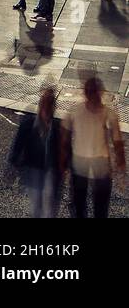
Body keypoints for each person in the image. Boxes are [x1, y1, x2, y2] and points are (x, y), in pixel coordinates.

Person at [62, 74, 125, 218]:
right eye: (90, 92)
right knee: (81, 204)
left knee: (97, 206)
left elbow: (117, 142)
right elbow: (63, 137)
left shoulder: (108, 114)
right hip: (84, 162)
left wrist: (121, 165)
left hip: (95, 162)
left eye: (94, 92)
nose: (92, 96)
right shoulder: (76, 111)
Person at [10, 86, 62, 218]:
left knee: (50, 208)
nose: (46, 109)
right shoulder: (28, 123)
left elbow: (65, 151)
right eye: (44, 104)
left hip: (50, 172)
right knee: (37, 206)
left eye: (49, 105)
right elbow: (18, 144)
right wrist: (12, 164)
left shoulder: (58, 127)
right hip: (33, 170)